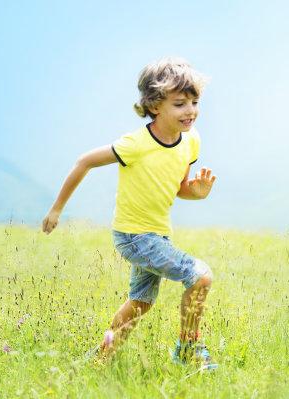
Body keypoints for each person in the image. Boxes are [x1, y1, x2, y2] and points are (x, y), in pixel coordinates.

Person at [41, 57, 218, 370]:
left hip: (157, 233)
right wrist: (56, 210)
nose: (190, 110)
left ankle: (99, 361)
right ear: (154, 105)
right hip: (134, 236)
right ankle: (189, 349)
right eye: (179, 104)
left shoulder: (190, 141)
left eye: (194, 101)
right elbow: (84, 161)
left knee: (140, 302)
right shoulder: (135, 144)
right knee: (200, 276)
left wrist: (198, 192)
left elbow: (179, 188)